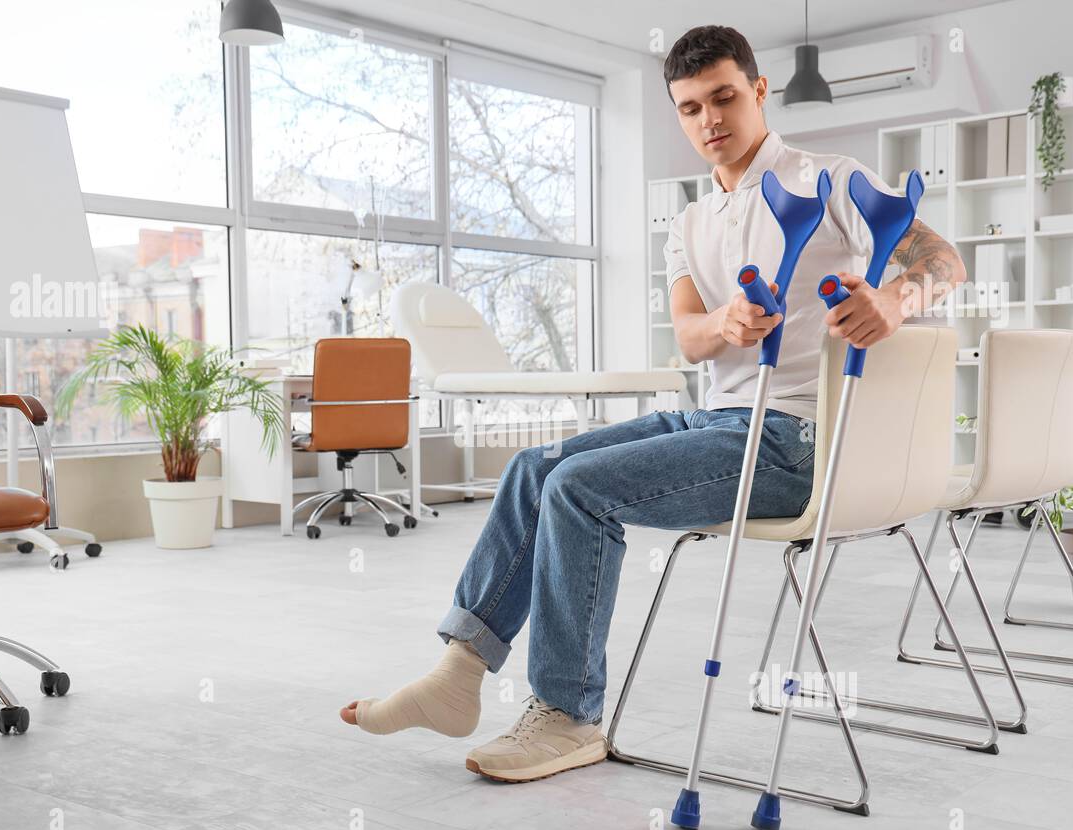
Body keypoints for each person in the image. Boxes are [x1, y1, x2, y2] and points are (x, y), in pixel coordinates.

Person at [340, 24, 964, 783]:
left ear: (760, 91)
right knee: (536, 466)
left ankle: (566, 717)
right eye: (691, 107)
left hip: (798, 439)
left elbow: (942, 260)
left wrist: (895, 301)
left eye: (725, 97)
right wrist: (725, 321)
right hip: (716, 420)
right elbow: (693, 337)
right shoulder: (692, 223)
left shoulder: (828, 180)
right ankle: (459, 673)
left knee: (579, 490)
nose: (710, 121)